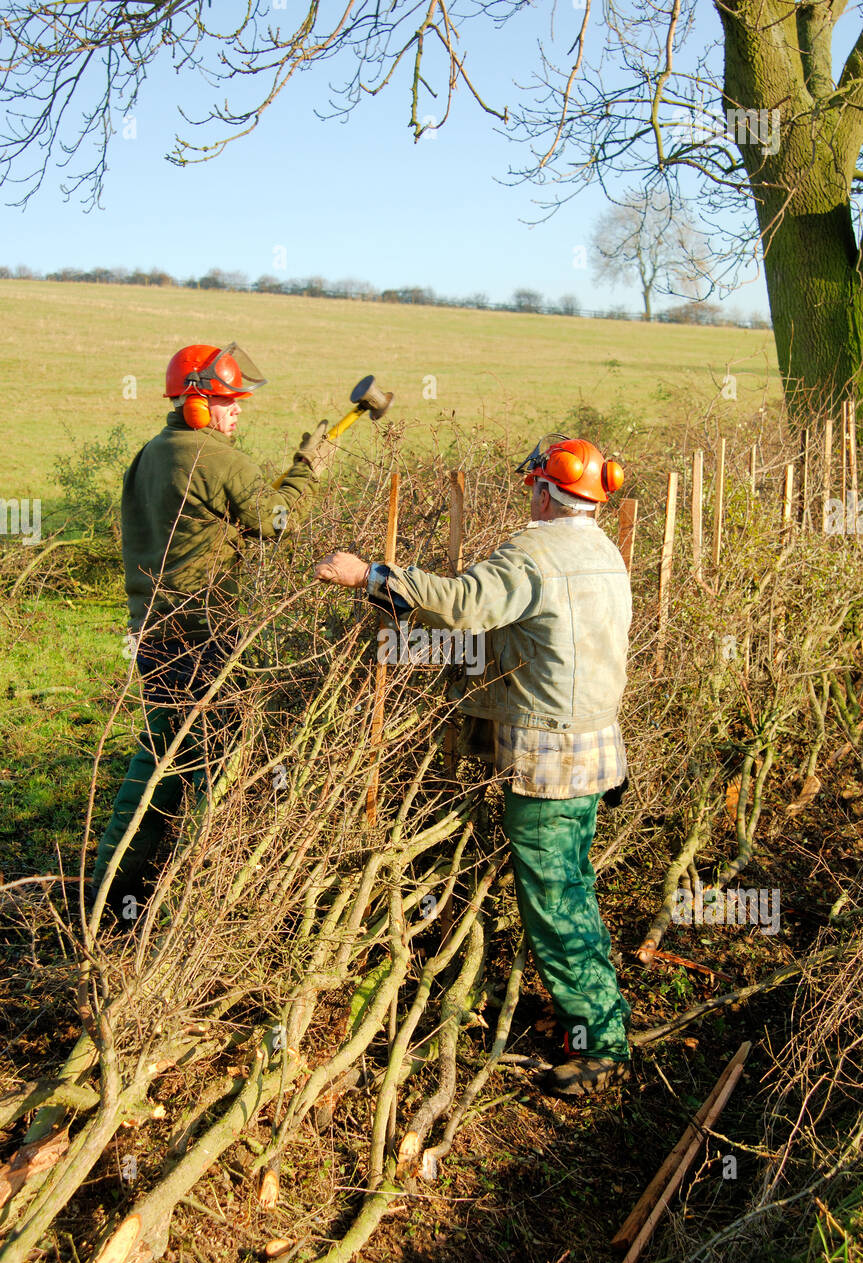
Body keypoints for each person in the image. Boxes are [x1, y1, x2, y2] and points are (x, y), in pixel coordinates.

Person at [314, 435, 632, 1099]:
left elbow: (464, 604)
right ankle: (598, 1015)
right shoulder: (600, 549)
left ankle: (597, 1041)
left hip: (550, 755)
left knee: (555, 898)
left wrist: (370, 576)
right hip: (595, 748)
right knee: (572, 883)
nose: (531, 497)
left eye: (534, 487)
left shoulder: (536, 551)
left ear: (548, 491)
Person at [91, 342, 335, 910]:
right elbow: (278, 521)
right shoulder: (217, 458)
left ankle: (111, 890)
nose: (238, 409)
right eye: (227, 401)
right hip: (203, 632)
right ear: (197, 404)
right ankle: (203, 898)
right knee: (218, 761)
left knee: (161, 756)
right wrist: (307, 471)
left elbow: (214, 521)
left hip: (152, 630)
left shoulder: (151, 453)